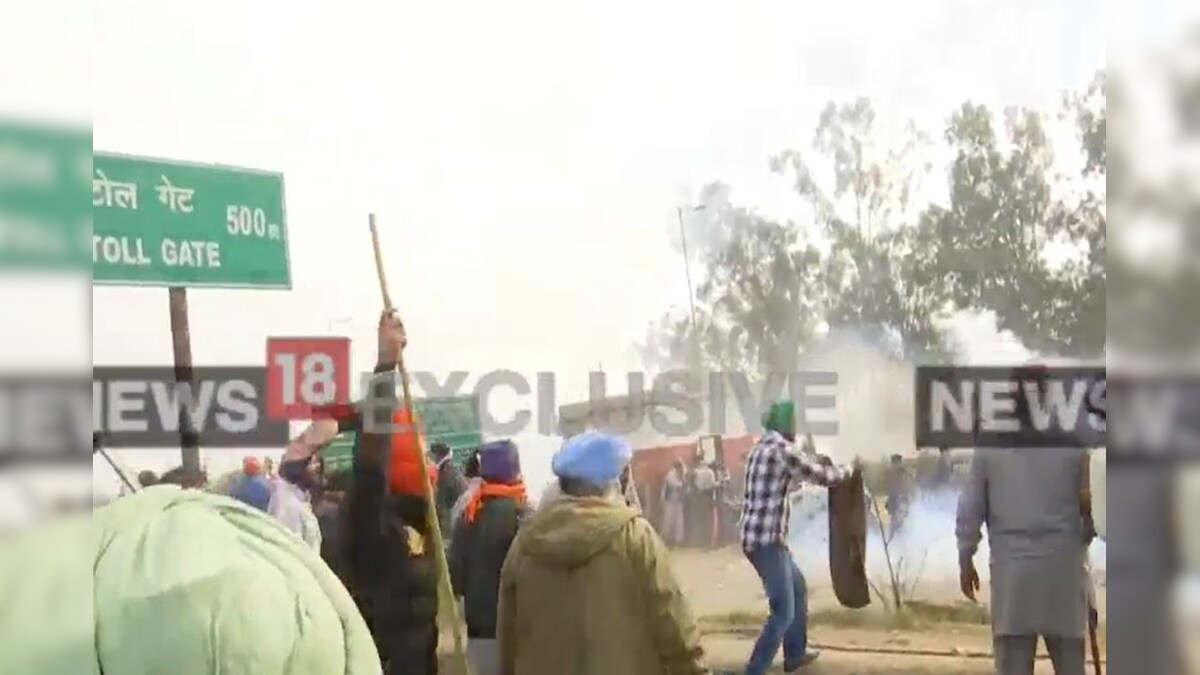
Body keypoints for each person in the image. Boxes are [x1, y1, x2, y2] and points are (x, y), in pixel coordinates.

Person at [497, 431, 709, 675]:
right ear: (612, 482)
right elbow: (673, 624)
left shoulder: (524, 545)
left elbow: (508, 637)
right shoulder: (636, 537)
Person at [740, 399, 858, 675]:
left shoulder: (760, 448)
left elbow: (794, 472)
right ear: (785, 425)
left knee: (798, 586)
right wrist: (850, 468)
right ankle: (753, 671)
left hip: (757, 538)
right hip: (767, 541)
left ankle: (795, 654)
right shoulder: (782, 450)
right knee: (783, 611)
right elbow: (824, 477)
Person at [956, 445, 1092, 675]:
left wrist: (965, 556)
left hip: (1012, 576)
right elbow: (1093, 509)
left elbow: (970, 507)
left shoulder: (991, 445)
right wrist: (1080, 541)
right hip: (1063, 573)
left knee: (1013, 665)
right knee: (1070, 665)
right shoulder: (1073, 443)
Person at [449, 439, 529, 675]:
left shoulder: (469, 513)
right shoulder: (522, 516)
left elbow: (457, 576)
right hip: (516, 625)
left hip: (479, 625)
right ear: (514, 471)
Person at [269, 452, 323, 552]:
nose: (318, 467)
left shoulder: (301, 499)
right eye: (312, 463)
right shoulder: (289, 505)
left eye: (318, 462)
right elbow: (292, 551)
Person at [432, 441, 467, 547]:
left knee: (448, 539)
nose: (434, 458)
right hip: (455, 505)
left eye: (436, 455)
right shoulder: (448, 468)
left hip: (455, 507)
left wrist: (437, 513)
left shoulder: (446, 471)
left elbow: (442, 497)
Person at [884, 453, 912, 537]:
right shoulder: (900, 472)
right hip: (898, 499)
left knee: (897, 521)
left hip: (897, 500)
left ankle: (894, 537)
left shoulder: (893, 472)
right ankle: (895, 537)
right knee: (898, 520)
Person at [661, 459, 687, 547]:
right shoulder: (671, 474)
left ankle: (678, 540)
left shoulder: (677, 474)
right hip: (670, 501)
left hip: (676, 500)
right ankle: (666, 539)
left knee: (678, 520)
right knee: (669, 520)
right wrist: (682, 482)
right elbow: (674, 484)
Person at [691, 459, 718, 549]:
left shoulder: (697, 473)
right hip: (709, 496)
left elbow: (695, 485)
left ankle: (703, 541)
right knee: (711, 520)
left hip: (700, 496)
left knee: (702, 519)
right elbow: (713, 484)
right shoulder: (710, 472)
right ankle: (711, 542)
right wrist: (719, 483)